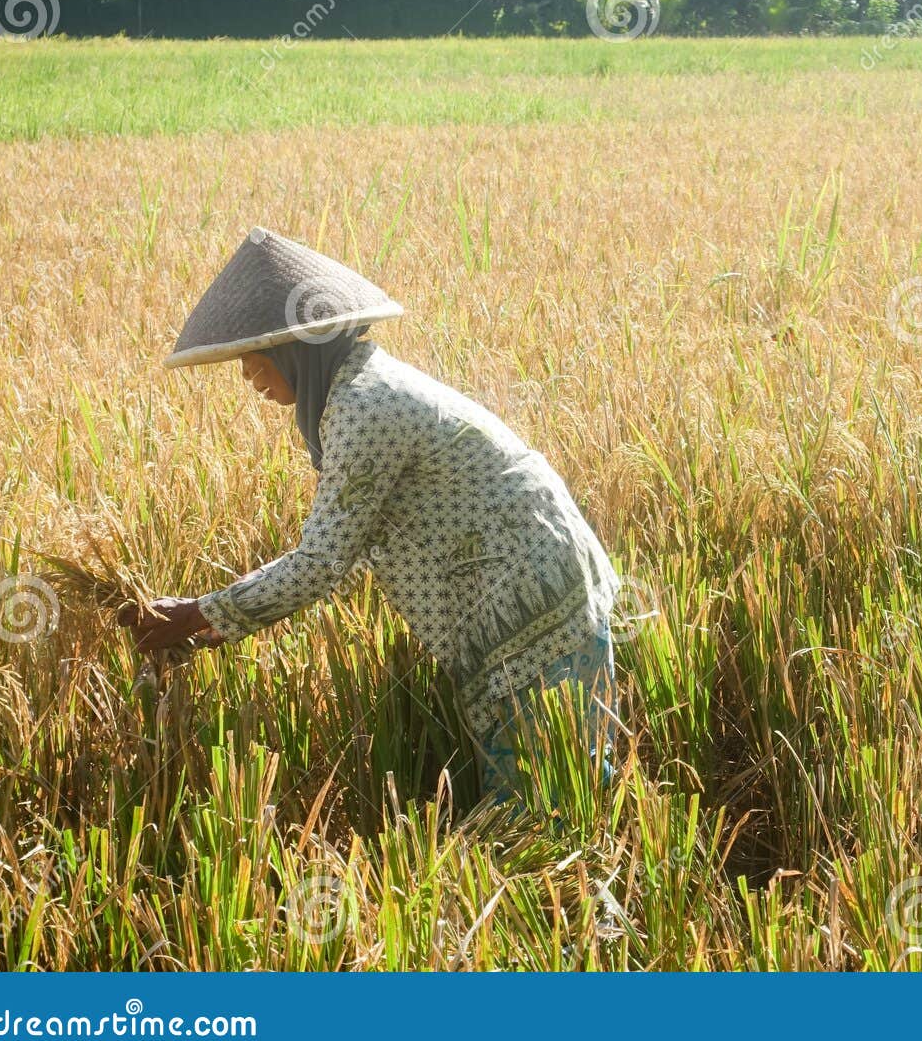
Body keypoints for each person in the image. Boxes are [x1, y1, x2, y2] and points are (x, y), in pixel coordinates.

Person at [119, 227, 621, 802]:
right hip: (523, 587)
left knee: (549, 793)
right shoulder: (358, 388)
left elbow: (321, 562)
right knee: (544, 788)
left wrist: (199, 614)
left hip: (532, 590)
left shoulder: (363, 407)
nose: (247, 376)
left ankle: (579, 888)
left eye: (255, 358)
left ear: (295, 351)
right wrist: (213, 619)